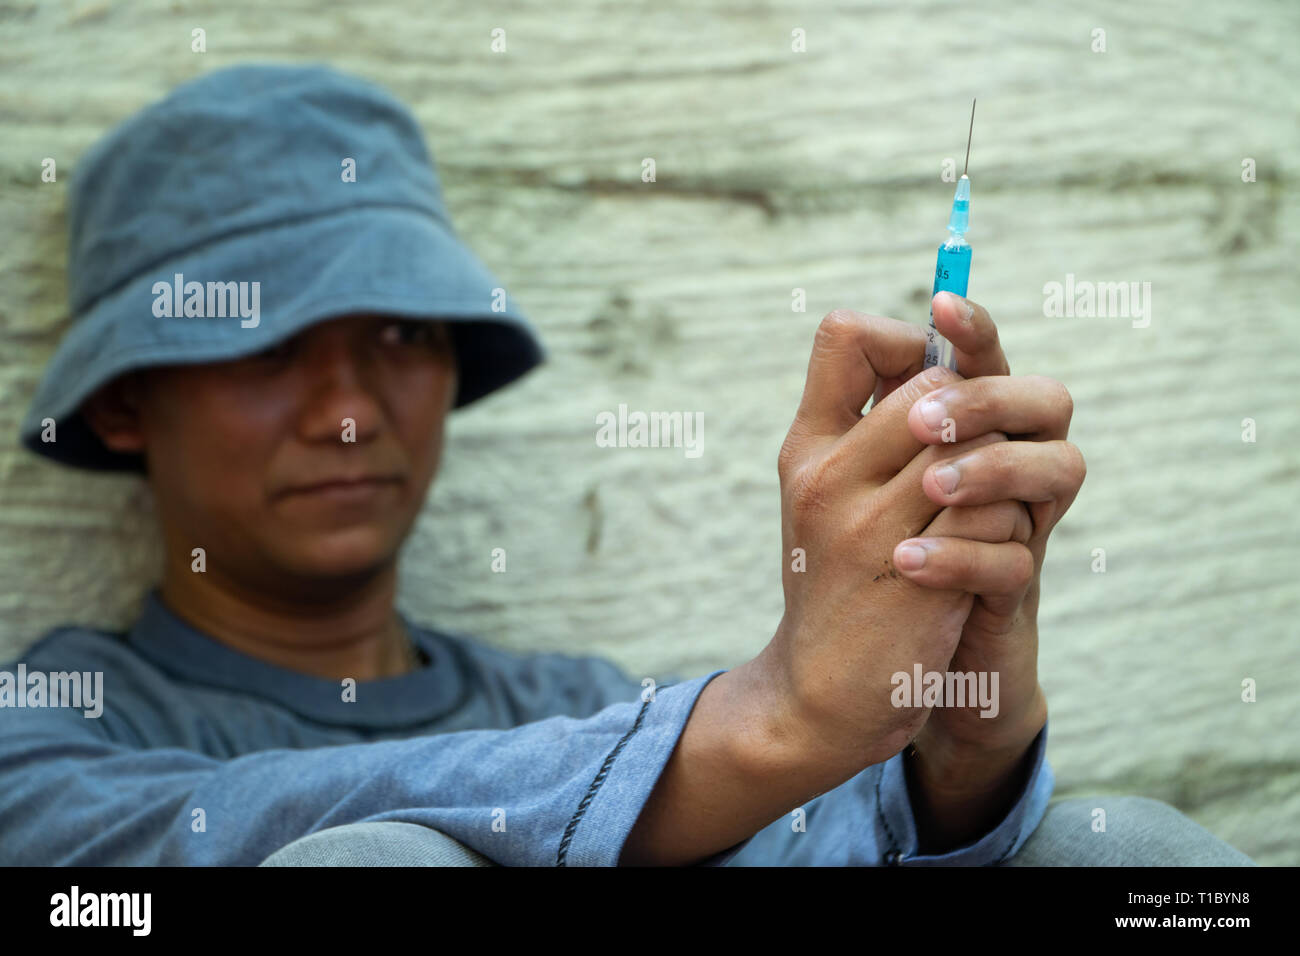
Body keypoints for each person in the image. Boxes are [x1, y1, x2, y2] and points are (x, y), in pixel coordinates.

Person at [1, 63, 1254, 867]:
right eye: (261, 341)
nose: (346, 411)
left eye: (395, 334)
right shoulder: (53, 731)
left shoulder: (571, 698)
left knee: (1113, 845)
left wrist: (958, 735)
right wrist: (764, 723)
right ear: (125, 402)